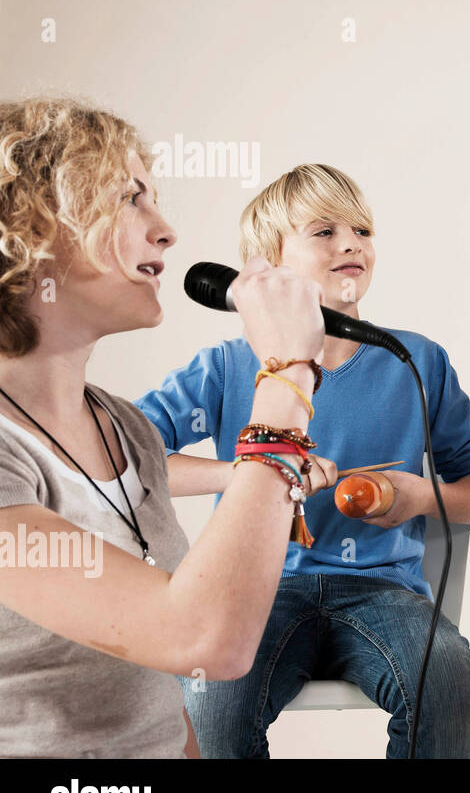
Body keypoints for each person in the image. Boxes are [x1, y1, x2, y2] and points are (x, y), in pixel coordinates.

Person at [135, 163, 470, 758]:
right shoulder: (227, 365)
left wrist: (415, 496)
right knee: (210, 699)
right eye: (324, 231)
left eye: (361, 231)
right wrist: (247, 475)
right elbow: (123, 454)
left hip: (383, 593)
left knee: (448, 679)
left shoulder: (415, 360)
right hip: (260, 589)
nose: (351, 244)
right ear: (267, 264)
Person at [0, 97, 325, 757]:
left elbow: (166, 697)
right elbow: (204, 637)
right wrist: (286, 375)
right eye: (129, 198)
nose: (166, 230)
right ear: (27, 229)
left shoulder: (128, 431)